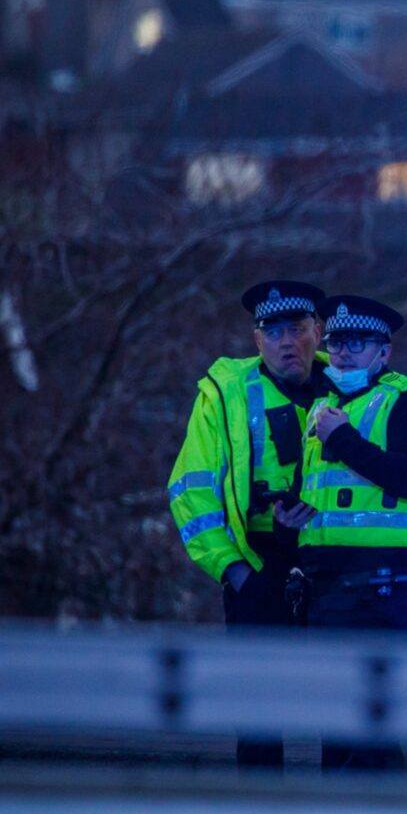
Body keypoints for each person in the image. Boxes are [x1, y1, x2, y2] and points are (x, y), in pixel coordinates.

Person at [167, 279, 329, 770]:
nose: (286, 341)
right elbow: (190, 491)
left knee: (344, 700)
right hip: (258, 560)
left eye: (297, 328)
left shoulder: (350, 384)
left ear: (317, 332)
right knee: (258, 706)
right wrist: (237, 573)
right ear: (257, 340)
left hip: (333, 558)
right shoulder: (226, 394)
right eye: (273, 330)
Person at [299, 293, 407, 770]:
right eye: (336, 340)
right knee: (343, 732)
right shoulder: (323, 409)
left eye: (357, 342)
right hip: (329, 590)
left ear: (384, 352)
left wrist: (343, 441)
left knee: (369, 735)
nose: (342, 352)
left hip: (385, 591)